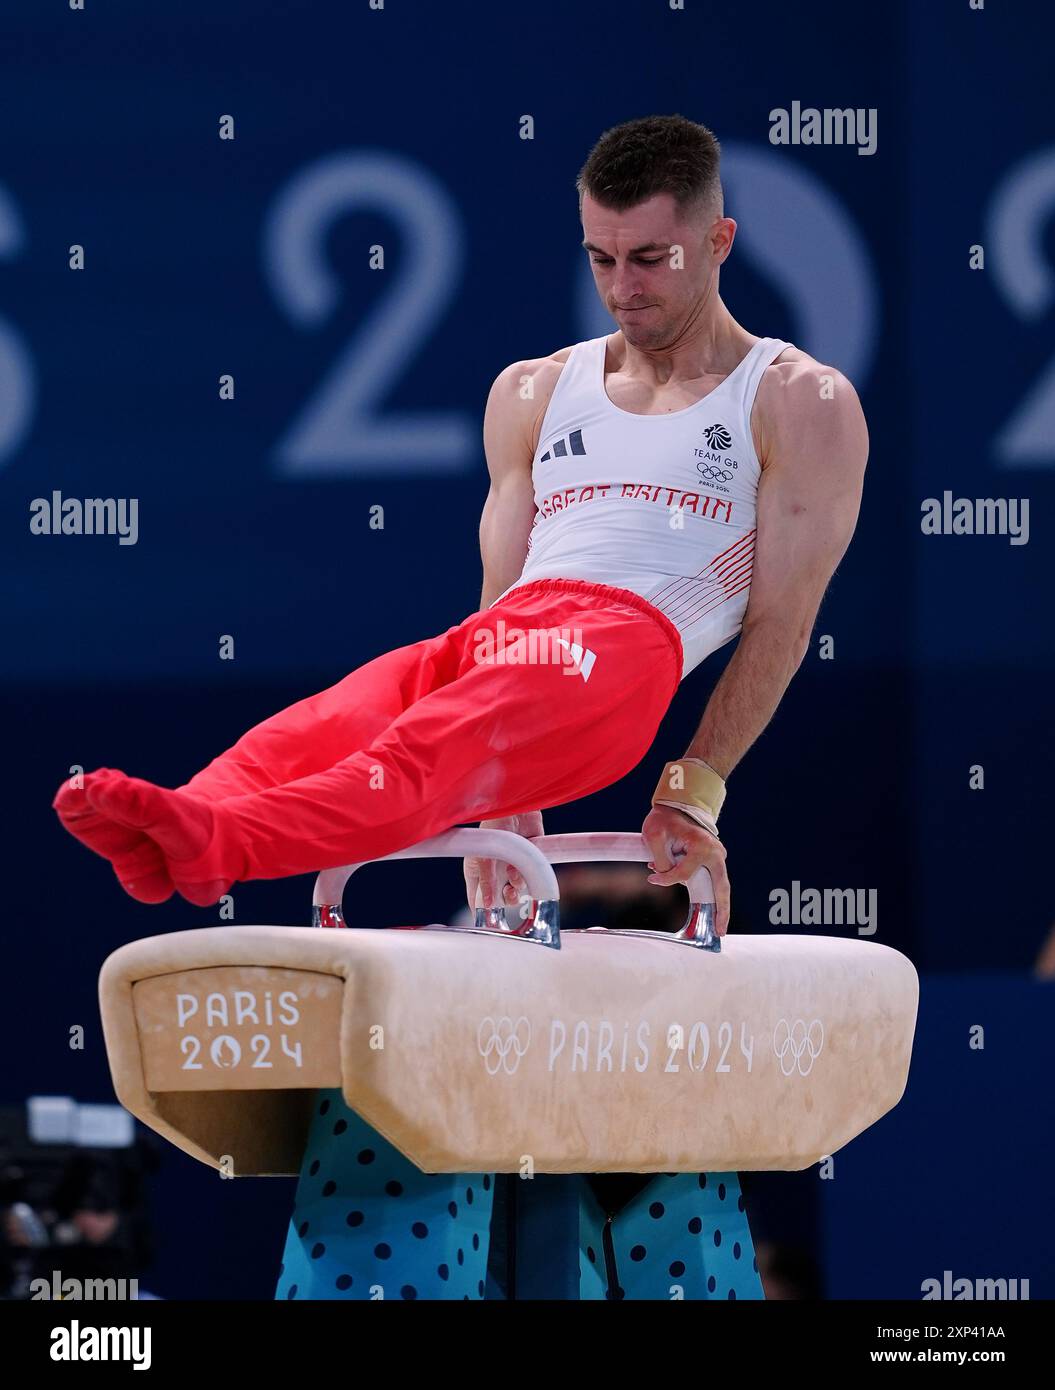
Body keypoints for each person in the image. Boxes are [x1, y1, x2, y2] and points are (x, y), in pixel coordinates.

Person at [52, 113, 868, 938]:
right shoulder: (533, 390)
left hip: (622, 652)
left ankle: (222, 843)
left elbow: (781, 624)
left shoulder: (795, 400)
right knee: (342, 715)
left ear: (719, 239)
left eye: (652, 259)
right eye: (601, 258)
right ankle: (180, 818)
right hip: (510, 634)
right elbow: (498, 601)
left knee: (416, 755)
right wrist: (501, 801)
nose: (624, 287)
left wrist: (692, 792)